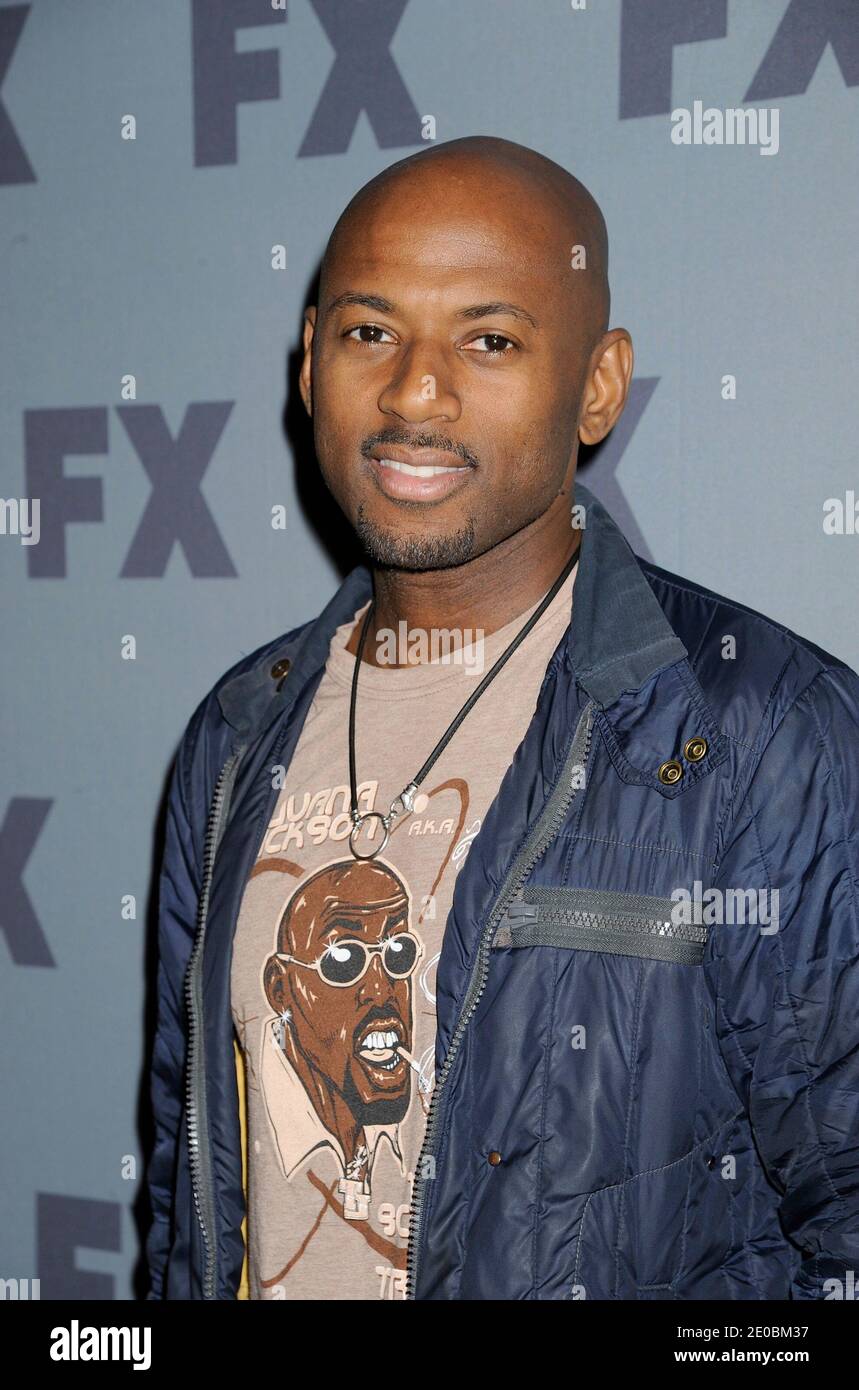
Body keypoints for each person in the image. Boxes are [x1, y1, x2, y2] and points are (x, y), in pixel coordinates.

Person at [145, 135, 859, 1301]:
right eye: (369, 331)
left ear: (598, 385)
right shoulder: (235, 738)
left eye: (490, 340)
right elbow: (192, 1193)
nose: (415, 391)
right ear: (308, 367)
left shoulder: (762, 735)